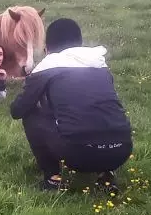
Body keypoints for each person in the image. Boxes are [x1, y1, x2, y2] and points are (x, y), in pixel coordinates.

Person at [10, 18, 133, 192]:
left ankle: (53, 178)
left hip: (78, 154)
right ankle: (105, 175)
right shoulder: (99, 63)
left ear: (48, 47)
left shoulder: (48, 65)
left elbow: (18, 110)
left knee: (31, 114)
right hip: (121, 150)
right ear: (79, 43)